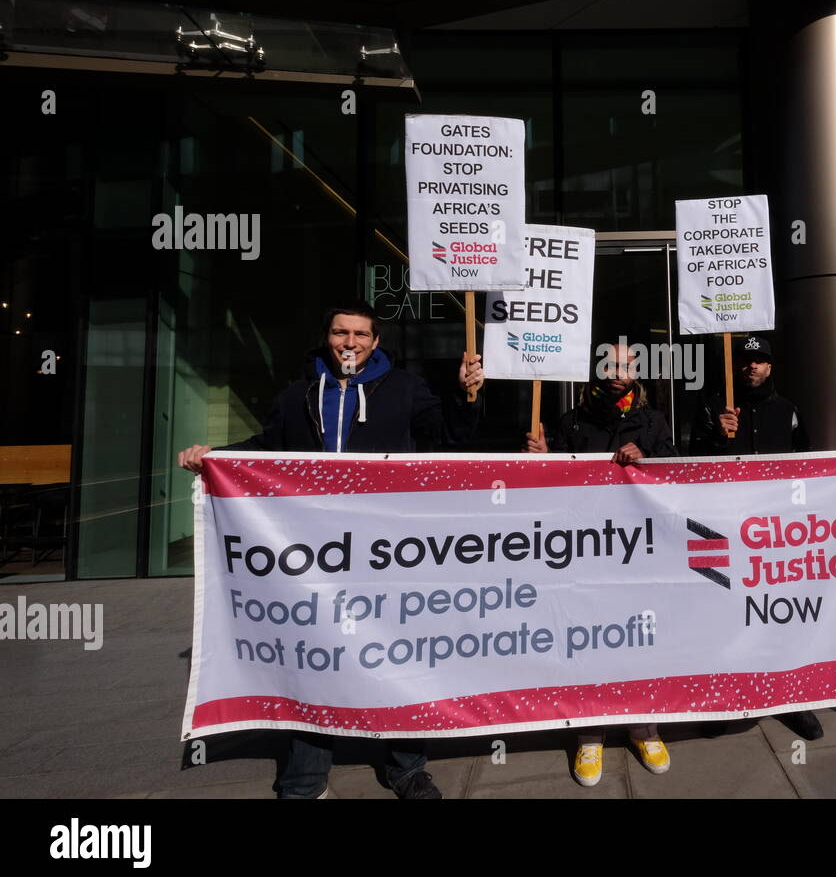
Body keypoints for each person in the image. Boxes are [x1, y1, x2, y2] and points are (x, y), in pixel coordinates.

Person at [177, 300, 484, 799]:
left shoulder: (406, 390)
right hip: (316, 556)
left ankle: (406, 766)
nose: (350, 342)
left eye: (361, 334)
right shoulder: (299, 393)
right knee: (314, 655)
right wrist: (216, 457)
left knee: (397, 651)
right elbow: (268, 449)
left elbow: (448, 436)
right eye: (341, 333)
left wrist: (467, 396)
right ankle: (304, 777)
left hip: (388, 550)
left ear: (376, 341)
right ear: (328, 337)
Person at [524, 341, 674, 786]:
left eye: (626, 364)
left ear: (637, 372)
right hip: (587, 551)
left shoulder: (652, 421)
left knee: (639, 639)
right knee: (589, 638)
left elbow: (676, 471)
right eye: (609, 363)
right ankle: (590, 731)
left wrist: (649, 459)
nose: (616, 371)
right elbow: (555, 489)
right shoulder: (572, 420)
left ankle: (643, 726)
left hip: (639, 551)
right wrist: (544, 461)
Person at [690, 334, 824, 739]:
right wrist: (717, 435)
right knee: (730, 617)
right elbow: (690, 462)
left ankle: (792, 699)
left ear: (770, 366)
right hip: (728, 529)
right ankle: (730, 698)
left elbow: (806, 462)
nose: (752, 367)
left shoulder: (788, 410)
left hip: (774, 535)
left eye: (760, 360)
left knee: (780, 615)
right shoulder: (714, 407)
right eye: (746, 361)